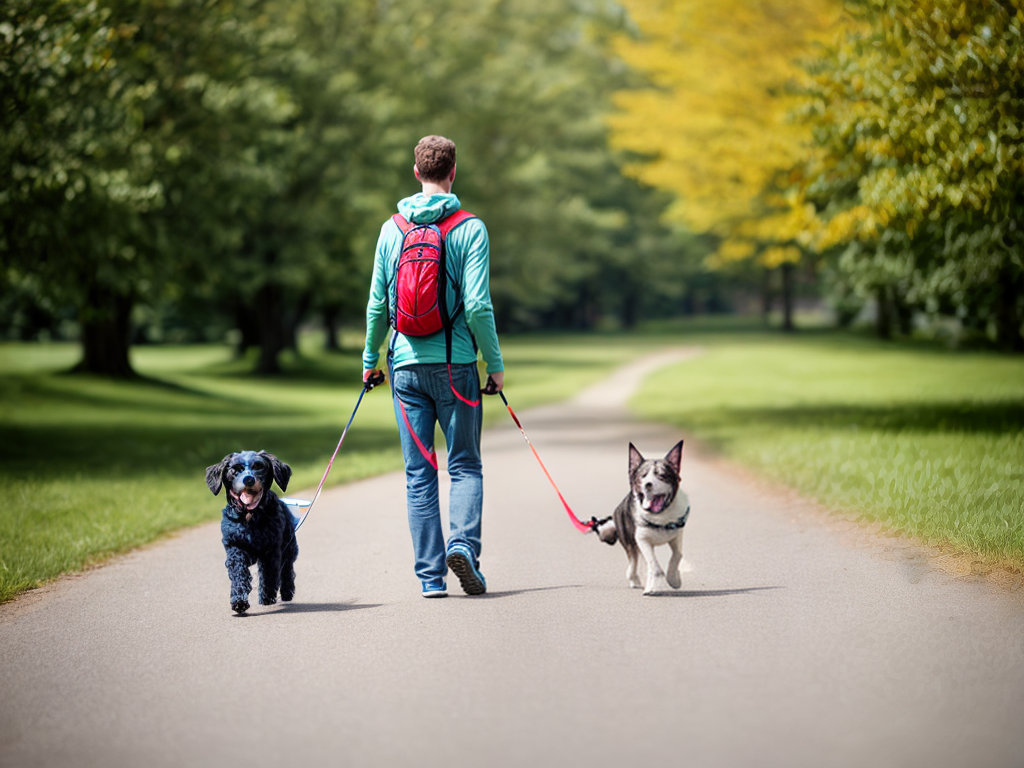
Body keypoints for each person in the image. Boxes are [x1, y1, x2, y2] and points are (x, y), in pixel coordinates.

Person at [362, 135, 504, 598]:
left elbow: (376, 306)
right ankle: (461, 546)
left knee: (419, 473)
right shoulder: (470, 228)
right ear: (453, 170)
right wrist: (495, 365)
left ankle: (429, 578)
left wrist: (370, 360)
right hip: (456, 366)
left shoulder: (392, 228)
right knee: (464, 465)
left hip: (404, 370)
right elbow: (479, 306)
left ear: (416, 171)